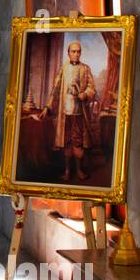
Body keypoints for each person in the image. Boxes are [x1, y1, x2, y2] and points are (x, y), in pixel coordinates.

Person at [41, 39, 96, 181]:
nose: (76, 54)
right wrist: (47, 106)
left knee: (78, 143)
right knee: (66, 143)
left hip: (79, 114)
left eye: (78, 52)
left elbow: (92, 88)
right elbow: (55, 89)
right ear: (68, 53)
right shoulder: (63, 69)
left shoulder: (85, 69)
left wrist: (85, 94)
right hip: (65, 114)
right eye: (73, 51)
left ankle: (79, 170)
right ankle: (67, 171)